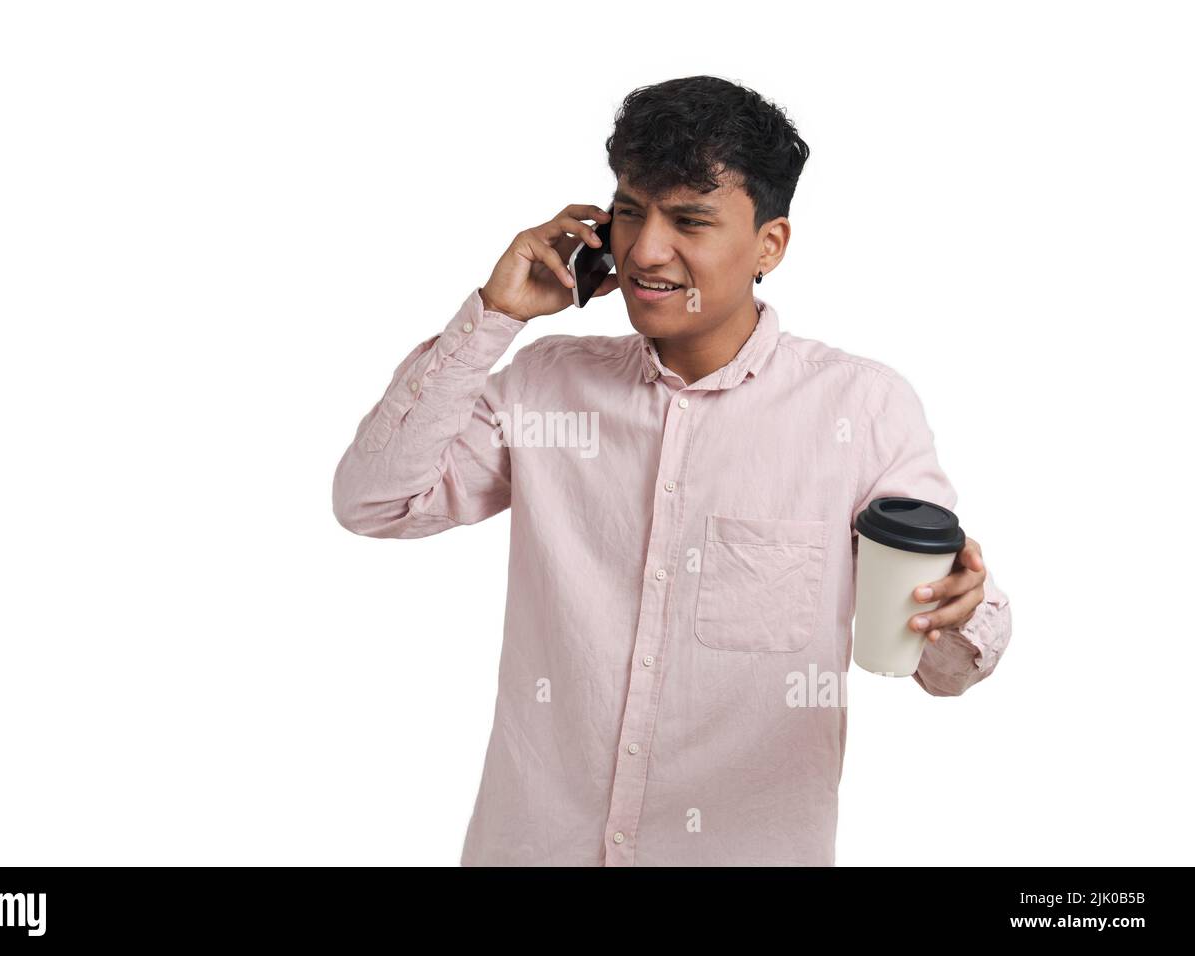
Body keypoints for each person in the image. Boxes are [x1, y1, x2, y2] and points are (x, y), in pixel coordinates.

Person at [332, 75, 1012, 866]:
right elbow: (374, 502)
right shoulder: (546, 386)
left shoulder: (862, 410)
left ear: (770, 244)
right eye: (628, 210)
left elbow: (942, 663)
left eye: (688, 219)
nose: (645, 249)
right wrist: (495, 317)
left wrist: (958, 607)